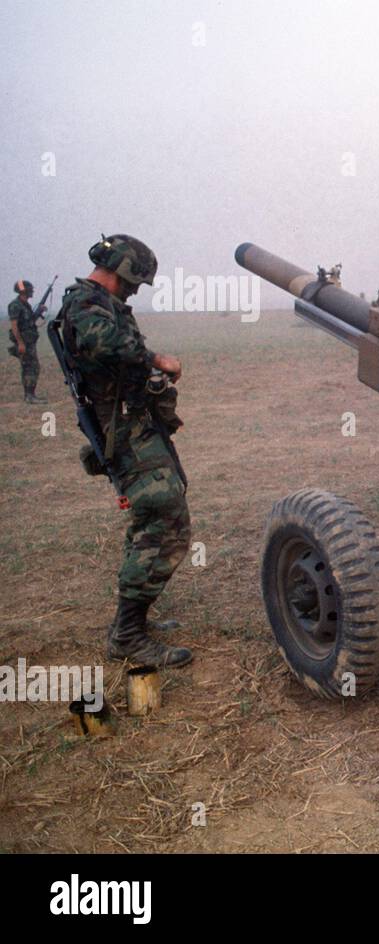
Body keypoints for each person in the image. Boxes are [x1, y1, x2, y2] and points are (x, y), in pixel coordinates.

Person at [57, 234, 193, 667]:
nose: (135, 291)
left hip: (135, 426)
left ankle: (131, 623)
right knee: (164, 520)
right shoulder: (86, 304)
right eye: (136, 282)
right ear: (125, 270)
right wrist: (156, 359)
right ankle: (128, 635)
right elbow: (105, 343)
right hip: (126, 432)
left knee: (155, 520)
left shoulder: (97, 303)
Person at [8, 280, 47, 403]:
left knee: (33, 367)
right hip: (24, 342)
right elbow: (14, 326)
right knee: (29, 368)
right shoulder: (15, 305)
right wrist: (20, 343)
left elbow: (29, 321)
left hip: (29, 341)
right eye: (30, 290)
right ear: (24, 291)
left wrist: (40, 311)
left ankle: (30, 395)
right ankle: (29, 396)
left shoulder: (25, 305)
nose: (32, 291)